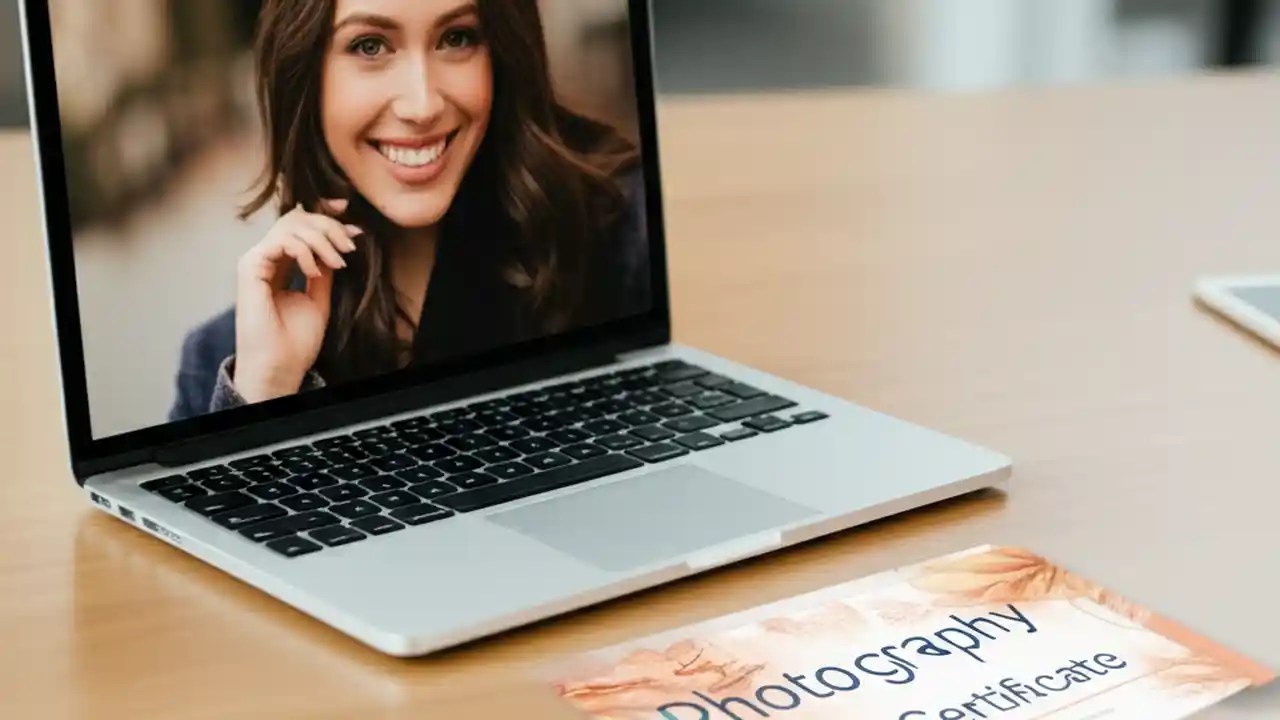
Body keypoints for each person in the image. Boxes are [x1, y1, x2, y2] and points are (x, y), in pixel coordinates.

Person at [169, 0, 650, 423]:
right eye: (370, 46)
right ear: (304, 70)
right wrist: (268, 393)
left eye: (457, 38)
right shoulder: (224, 361)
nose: (422, 105)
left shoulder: (626, 239)